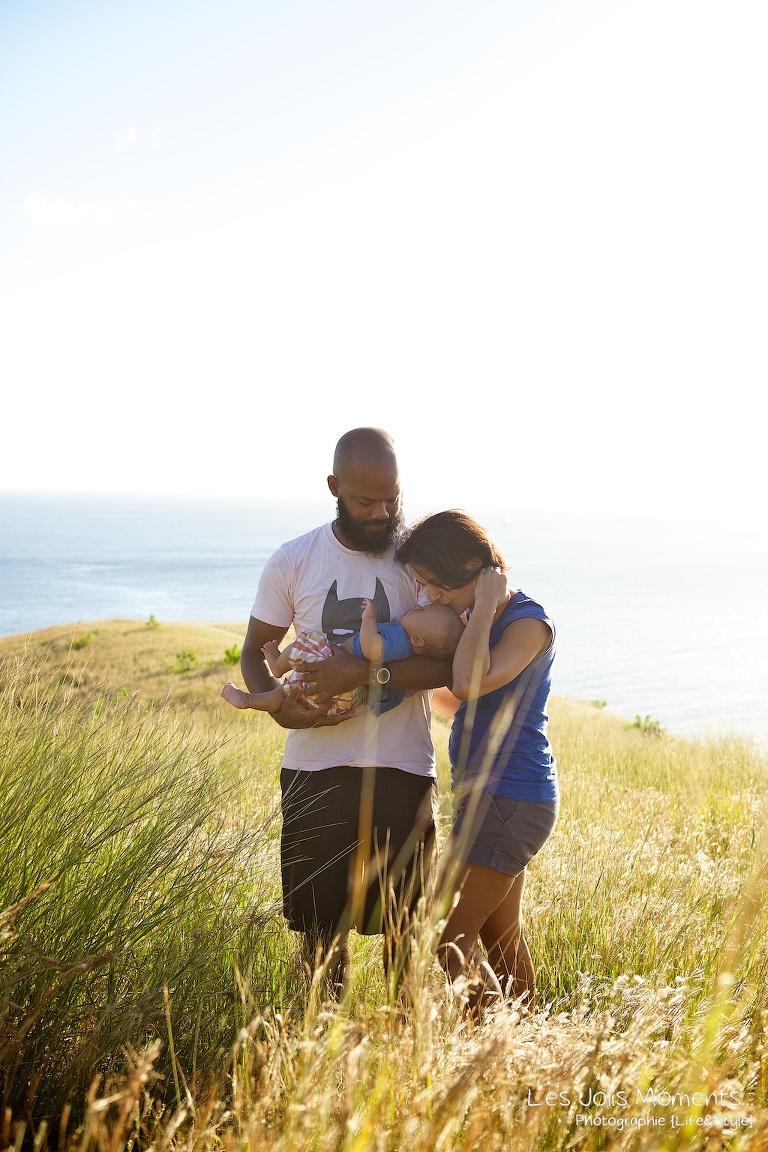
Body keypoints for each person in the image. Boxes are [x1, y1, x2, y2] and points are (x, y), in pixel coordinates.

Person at [234, 428, 453, 994]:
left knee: (404, 927)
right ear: (334, 487)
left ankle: (406, 1035)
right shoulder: (294, 560)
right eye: (365, 501)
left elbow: (445, 664)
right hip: (315, 766)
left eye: (391, 499)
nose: (382, 514)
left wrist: (363, 673)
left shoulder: (420, 564)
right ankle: (318, 1035)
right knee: (318, 931)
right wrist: (279, 708)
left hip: (403, 765)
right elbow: (255, 651)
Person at [395, 509, 558, 1011]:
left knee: (446, 935)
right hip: (489, 795)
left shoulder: (527, 623)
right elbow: (460, 699)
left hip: (511, 796)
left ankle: (488, 1044)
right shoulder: (476, 622)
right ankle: (524, 1038)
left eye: (436, 583)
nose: (430, 596)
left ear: (474, 566)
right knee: (501, 935)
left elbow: (467, 684)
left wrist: (485, 604)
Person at [221, 598, 464, 717]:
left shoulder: (399, 638)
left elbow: (372, 649)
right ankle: (249, 700)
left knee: (306, 641)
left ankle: (276, 665)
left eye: (421, 611)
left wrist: (369, 619)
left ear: (418, 641)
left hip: (331, 663)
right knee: (290, 691)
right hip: (348, 698)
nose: (416, 607)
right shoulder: (409, 654)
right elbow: (409, 691)